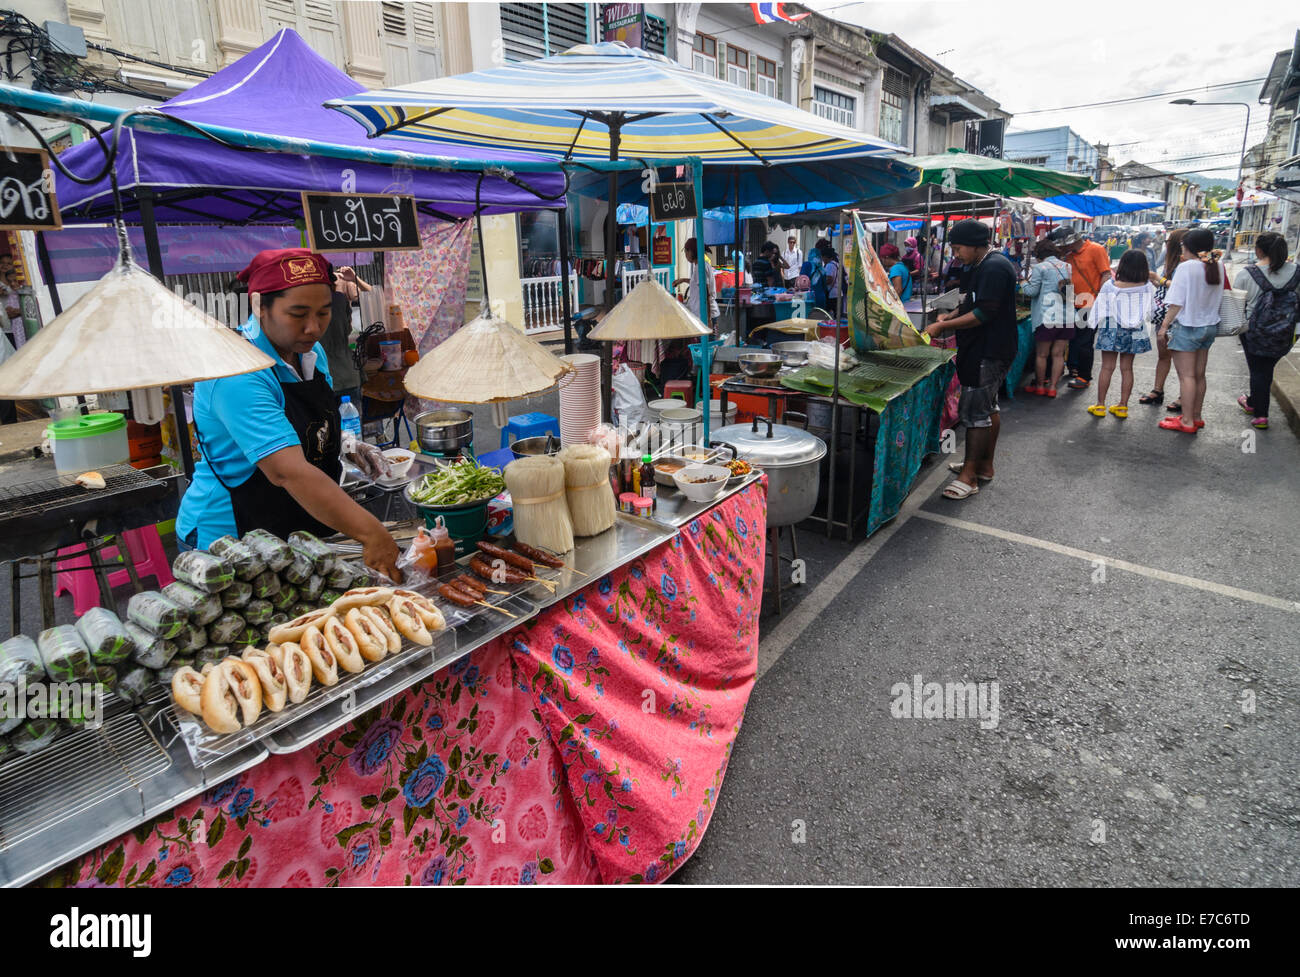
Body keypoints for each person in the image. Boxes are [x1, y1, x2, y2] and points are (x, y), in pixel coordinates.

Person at [176, 248, 402, 579]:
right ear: (259, 306)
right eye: (298, 314)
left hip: (290, 526)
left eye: (324, 313)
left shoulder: (309, 352)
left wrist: (347, 444)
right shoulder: (237, 371)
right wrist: (372, 533)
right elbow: (288, 472)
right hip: (228, 538)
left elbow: (306, 424)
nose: (313, 328)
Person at [923, 219, 1018, 500]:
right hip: (985, 348)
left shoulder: (994, 267)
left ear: (976, 245)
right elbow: (971, 303)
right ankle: (983, 466)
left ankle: (970, 477)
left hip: (988, 350)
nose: (955, 254)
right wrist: (949, 316)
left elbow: (983, 314)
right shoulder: (978, 265)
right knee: (988, 408)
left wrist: (940, 327)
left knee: (974, 414)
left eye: (958, 247)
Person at [1157, 228, 1223, 434]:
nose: (1181, 250)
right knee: (1199, 375)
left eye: (1183, 246)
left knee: (1187, 377)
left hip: (1188, 327)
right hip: (1209, 326)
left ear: (1190, 247)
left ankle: (1186, 421)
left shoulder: (1186, 268)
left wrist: (1164, 326)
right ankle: (1196, 416)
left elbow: (1176, 303)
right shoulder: (1217, 265)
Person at [1233, 231, 1300, 430]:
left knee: (1258, 370)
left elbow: (1237, 306)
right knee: (1266, 368)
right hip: (1289, 331)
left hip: (1254, 331)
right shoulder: (1297, 272)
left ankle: (1260, 414)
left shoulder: (1247, 274)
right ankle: (1253, 401)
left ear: (1259, 250)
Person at [1087, 250, 1156, 419]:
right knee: (1127, 368)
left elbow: (1099, 307)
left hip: (1111, 327)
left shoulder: (1110, 286)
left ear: (1122, 266)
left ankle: (1100, 405)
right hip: (1136, 329)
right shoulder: (1147, 287)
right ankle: (1123, 406)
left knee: (1107, 367)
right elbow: (1152, 311)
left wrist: (1091, 325)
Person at [1052, 227, 1112, 389]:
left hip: (1090, 304)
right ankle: (1073, 368)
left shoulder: (1096, 249)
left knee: (1084, 342)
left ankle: (1084, 376)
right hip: (1072, 304)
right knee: (1072, 339)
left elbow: (1106, 275)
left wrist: (1100, 299)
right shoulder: (1068, 256)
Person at [1138, 228, 1187, 408]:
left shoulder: (1187, 264)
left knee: (1182, 360)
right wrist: (1156, 280)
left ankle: (1184, 396)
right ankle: (1158, 390)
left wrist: (1160, 278)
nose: (1165, 244)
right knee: (1163, 354)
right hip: (1165, 313)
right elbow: (1167, 287)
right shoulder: (1172, 262)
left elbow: (1180, 289)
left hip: (1179, 316)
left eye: (1169, 242)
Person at [1020, 238, 1074, 397]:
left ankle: (1040, 386)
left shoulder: (1040, 267)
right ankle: (1052, 387)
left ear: (1039, 254)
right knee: (1058, 355)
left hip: (1047, 316)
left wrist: (1023, 282)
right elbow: (1069, 292)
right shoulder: (1067, 266)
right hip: (1066, 316)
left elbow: (1031, 292)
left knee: (1042, 354)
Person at [323, 265, 363, 405]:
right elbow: (347, 328)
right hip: (348, 373)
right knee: (353, 424)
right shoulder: (340, 299)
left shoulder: (305, 303)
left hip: (327, 377)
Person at [672, 236, 719, 330]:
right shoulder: (700, 266)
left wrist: (708, 319)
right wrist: (682, 280)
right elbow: (697, 283)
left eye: (686, 252)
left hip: (706, 315)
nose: (685, 255)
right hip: (704, 314)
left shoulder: (700, 268)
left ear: (691, 252)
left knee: (708, 344)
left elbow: (706, 292)